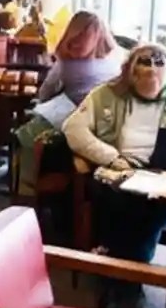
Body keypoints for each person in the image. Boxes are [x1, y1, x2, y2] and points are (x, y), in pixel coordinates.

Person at [63, 43, 166, 272]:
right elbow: (73, 129)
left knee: (158, 202)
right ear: (130, 69)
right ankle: (134, 269)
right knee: (127, 200)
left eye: (159, 63)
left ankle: (120, 262)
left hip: (161, 176)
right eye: (145, 62)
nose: (152, 69)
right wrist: (110, 157)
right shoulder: (106, 94)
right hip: (118, 171)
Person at [13, 11, 120, 182]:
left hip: (73, 117)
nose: (75, 42)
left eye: (80, 37)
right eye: (74, 38)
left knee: (25, 135)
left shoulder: (65, 65)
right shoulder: (115, 65)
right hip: (105, 123)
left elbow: (45, 93)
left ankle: (29, 184)